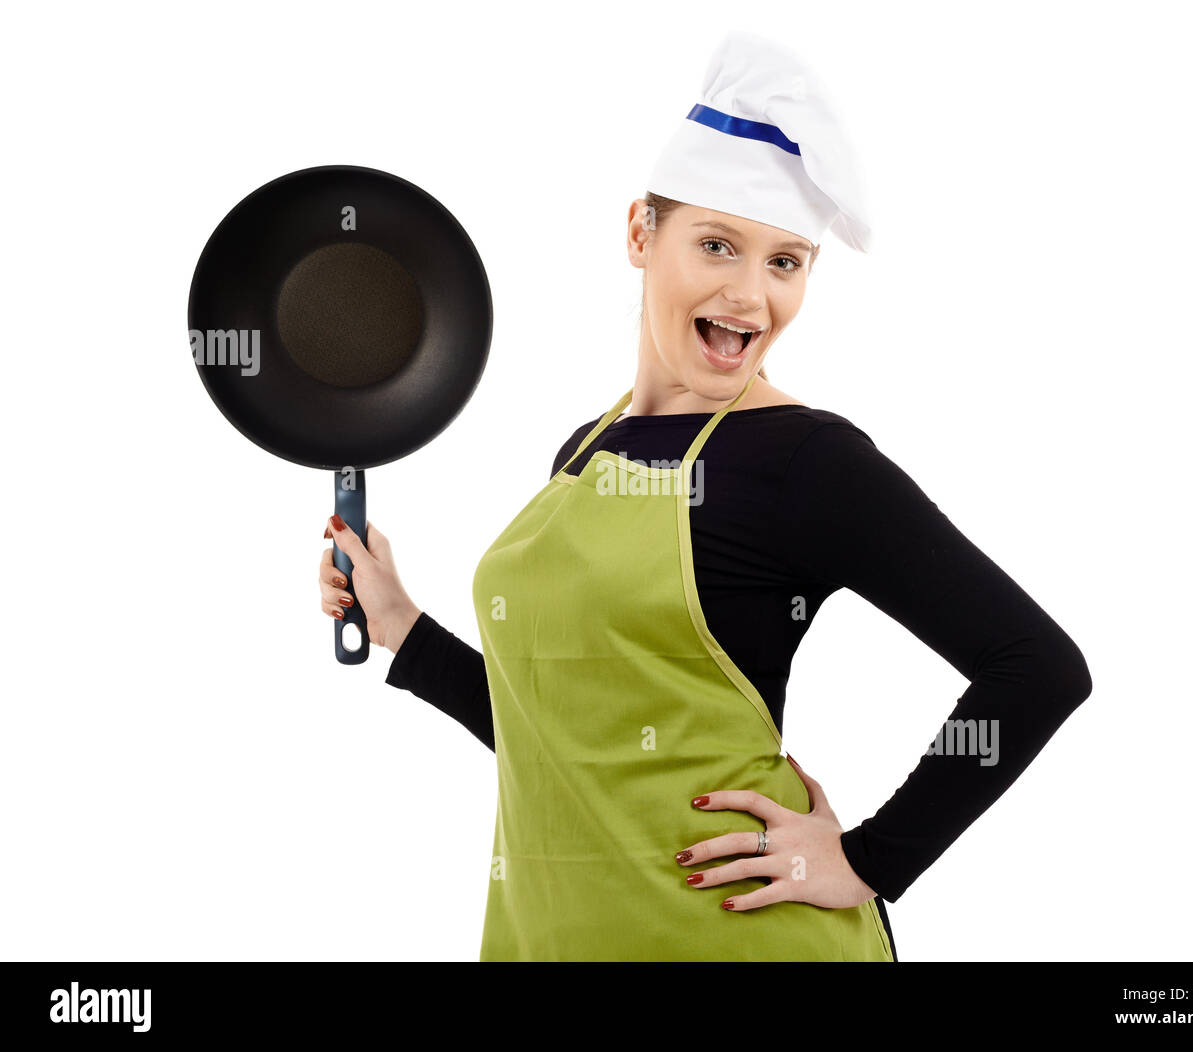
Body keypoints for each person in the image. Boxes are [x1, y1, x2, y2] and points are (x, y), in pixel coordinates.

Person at [316, 31, 1092, 961]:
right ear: (641, 233)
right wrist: (403, 625)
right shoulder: (587, 447)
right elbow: (562, 741)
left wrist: (870, 860)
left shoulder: (807, 461)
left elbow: (1039, 666)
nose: (749, 296)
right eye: (718, 245)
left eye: (785, 261)